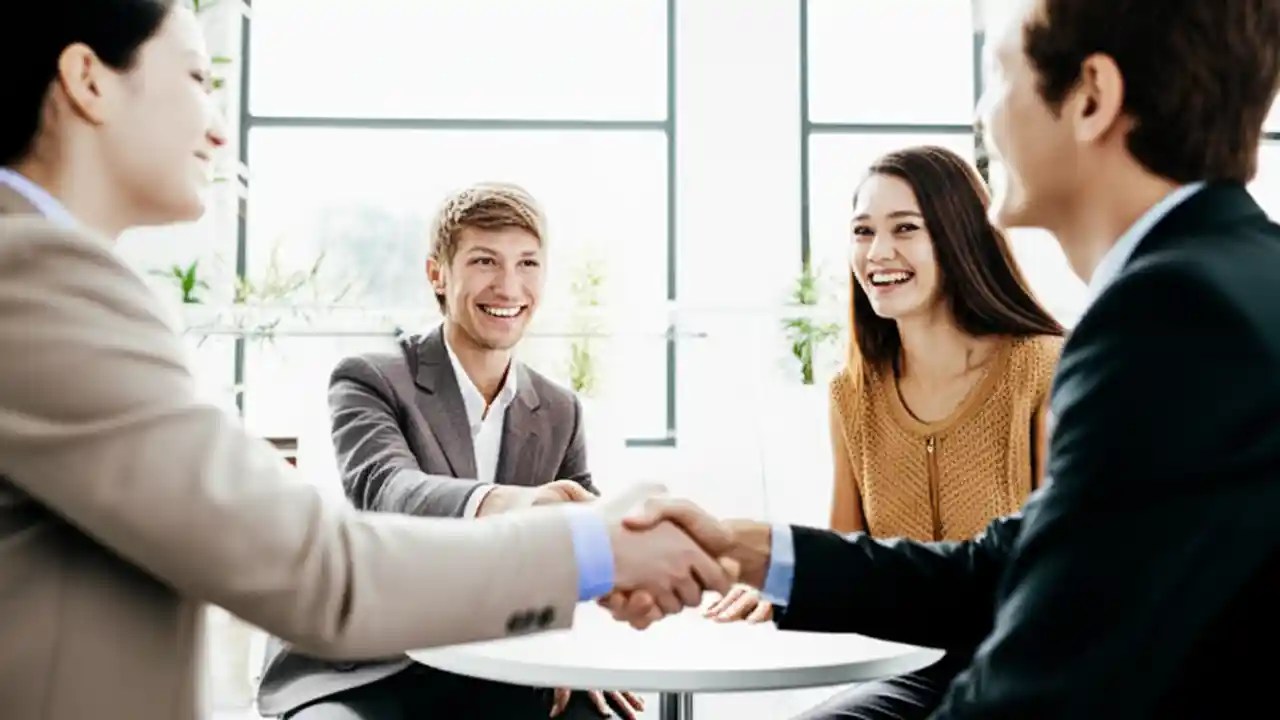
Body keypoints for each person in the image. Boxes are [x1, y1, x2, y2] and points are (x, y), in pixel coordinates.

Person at [0, 3, 734, 719]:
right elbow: (321, 570)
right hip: (373, 672)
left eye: (528, 265)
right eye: (197, 79)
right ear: (88, 80)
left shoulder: (51, 276)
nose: (220, 130)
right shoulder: (35, 280)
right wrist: (593, 549)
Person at [611, 0, 1280, 716]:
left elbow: (1047, 674)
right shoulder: (1234, 280)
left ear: (1091, 96)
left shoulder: (1169, 316)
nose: (981, 118)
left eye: (996, 77)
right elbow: (1009, 568)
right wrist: (754, 550)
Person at [258, 183, 643, 719]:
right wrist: (517, 506)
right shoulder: (371, 378)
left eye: (527, 263)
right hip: (371, 666)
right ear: (437, 273)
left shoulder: (560, 409)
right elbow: (386, 490)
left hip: (506, 661)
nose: (509, 287)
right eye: (485, 261)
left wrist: (579, 653)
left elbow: (585, 547)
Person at [706, 145, 1063, 718]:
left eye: (906, 229)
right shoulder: (854, 394)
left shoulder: (1043, 368)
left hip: (1036, 670)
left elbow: (1061, 572)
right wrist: (781, 581)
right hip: (918, 672)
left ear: (959, 236)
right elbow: (851, 555)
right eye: (862, 231)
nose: (879, 252)